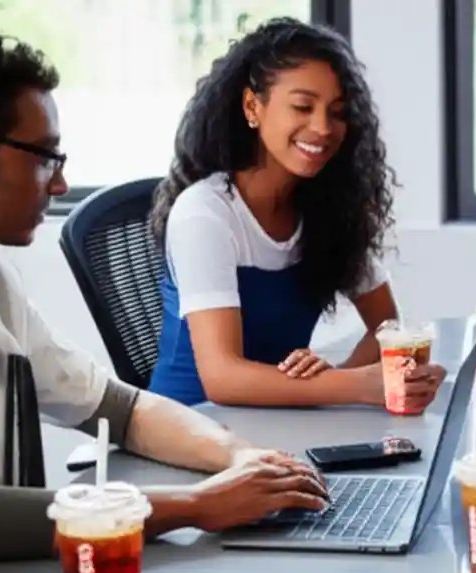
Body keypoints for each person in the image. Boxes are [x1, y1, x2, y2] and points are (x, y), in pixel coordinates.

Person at [0, 24, 328, 573]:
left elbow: (122, 409)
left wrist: (241, 456)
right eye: (45, 157)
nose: (59, 185)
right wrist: (198, 505)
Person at [146, 18, 445, 408]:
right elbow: (222, 377)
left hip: (279, 424)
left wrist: (339, 382)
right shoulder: (204, 213)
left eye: (338, 113)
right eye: (303, 106)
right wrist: (356, 386)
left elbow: (387, 327)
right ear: (252, 106)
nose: (323, 127)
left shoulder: (327, 208)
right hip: (191, 424)